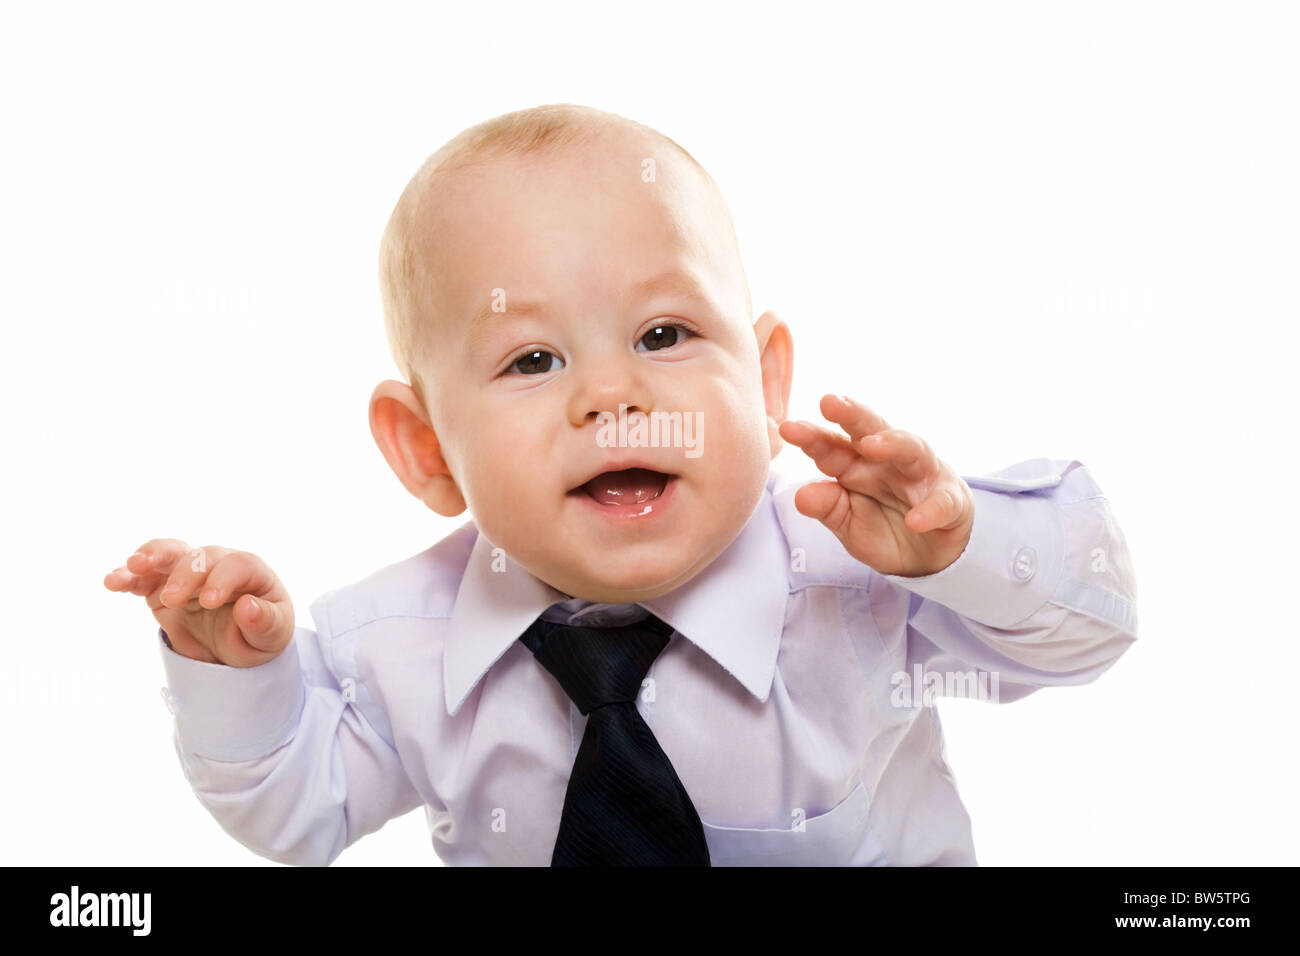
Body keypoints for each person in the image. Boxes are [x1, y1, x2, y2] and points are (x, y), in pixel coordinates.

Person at [103, 103, 1138, 866]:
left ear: (763, 377)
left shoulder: (852, 575)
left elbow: (1087, 633)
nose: (611, 392)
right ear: (425, 448)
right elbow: (302, 807)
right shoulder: (398, 643)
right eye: (532, 360)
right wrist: (237, 673)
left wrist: (959, 548)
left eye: (664, 333)